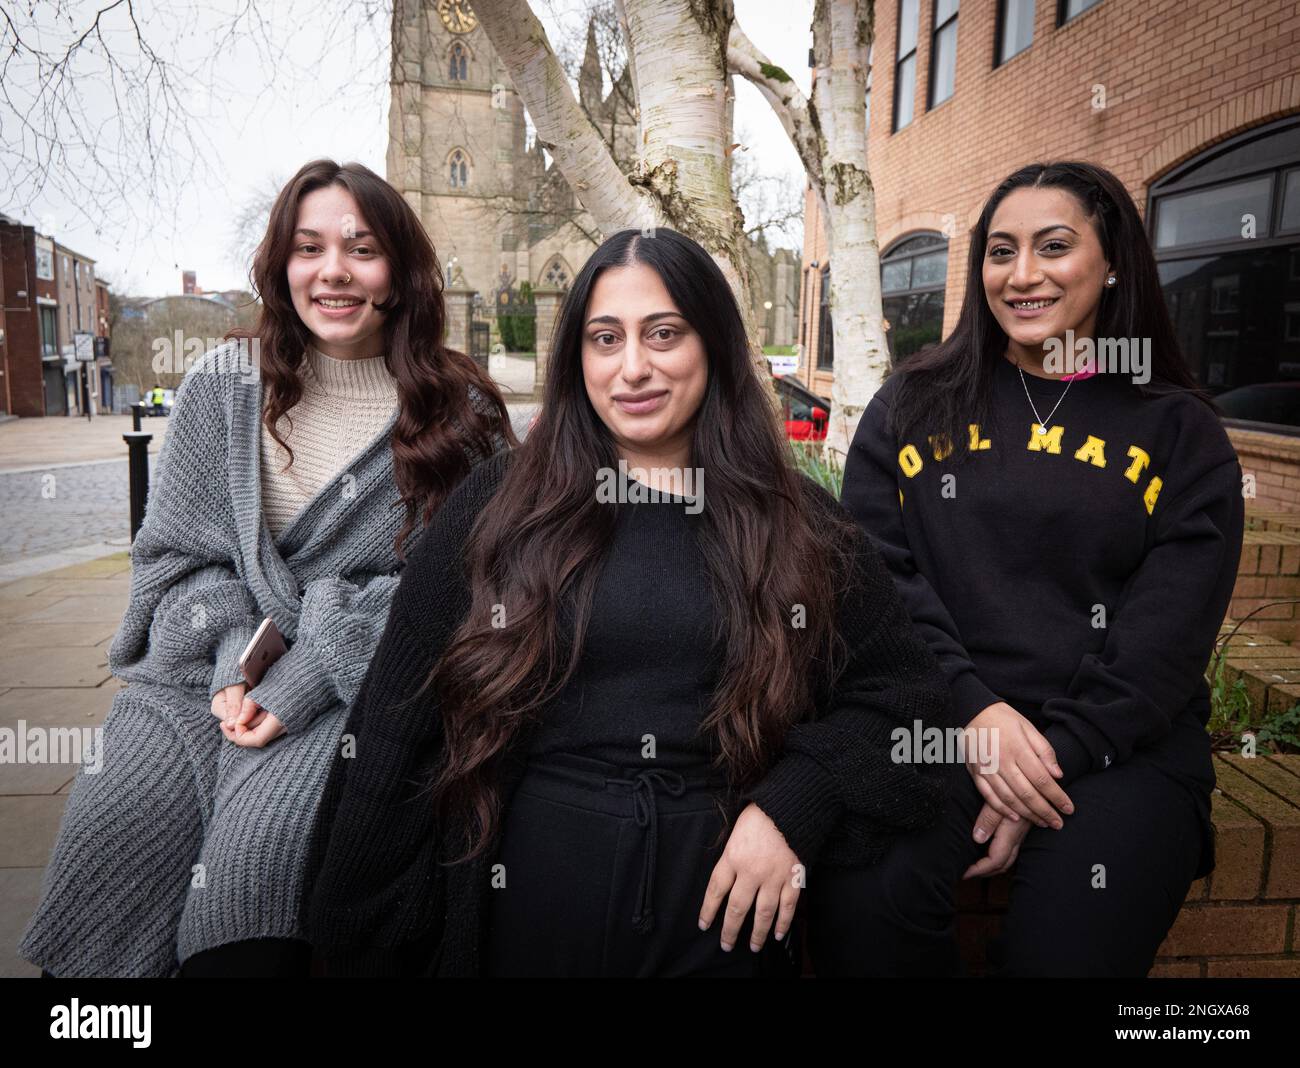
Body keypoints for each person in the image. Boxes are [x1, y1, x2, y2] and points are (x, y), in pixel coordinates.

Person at [302, 227, 954, 977]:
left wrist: (792, 806)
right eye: (605, 339)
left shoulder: (797, 522)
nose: (633, 368)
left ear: (713, 345)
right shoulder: (502, 504)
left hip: (723, 910)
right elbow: (393, 723)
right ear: (577, 361)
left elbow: (907, 699)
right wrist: (353, 945)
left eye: (664, 334)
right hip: (532, 897)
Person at [20, 159, 513, 977]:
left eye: (361, 248)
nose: (334, 271)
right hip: (198, 682)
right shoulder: (224, 386)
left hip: (355, 695)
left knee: (258, 861)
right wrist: (231, 665)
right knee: (119, 820)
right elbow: (176, 556)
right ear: (281, 267)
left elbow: (469, 592)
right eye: (308, 247)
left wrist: (309, 671)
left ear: (400, 269)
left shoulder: (461, 412)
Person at [814, 160, 1244, 977]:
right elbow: (875, 577)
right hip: (941, 721)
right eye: (1000, 251)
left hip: (1123, 747)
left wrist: (1044, 763)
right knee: (871, 900)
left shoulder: (1178, 431)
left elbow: (1167, 636)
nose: (1022, 275)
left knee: (1069, 944)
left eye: (1053, 247)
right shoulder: (914, 402)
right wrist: (975, 717)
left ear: (1112, 259)